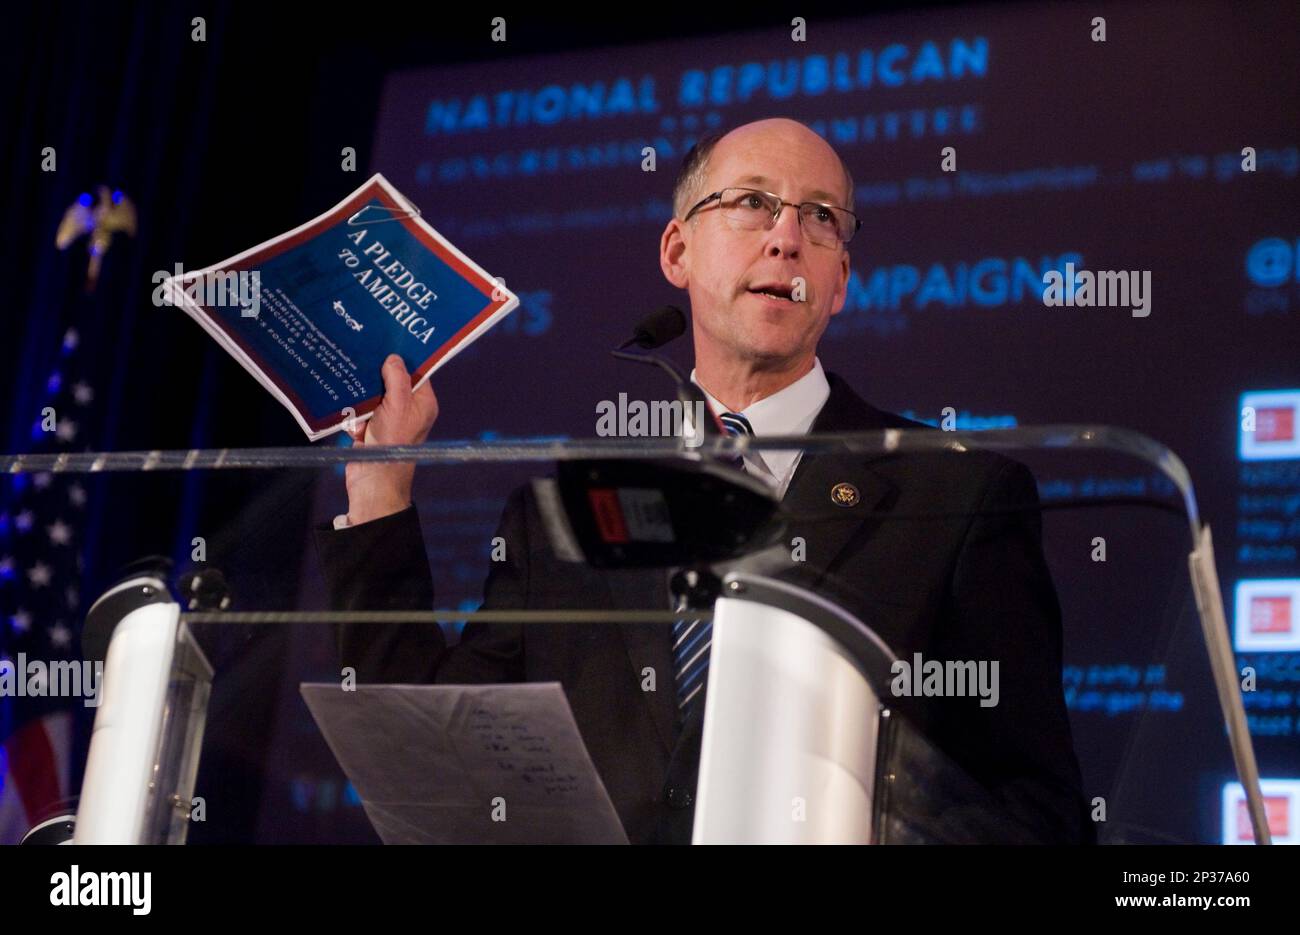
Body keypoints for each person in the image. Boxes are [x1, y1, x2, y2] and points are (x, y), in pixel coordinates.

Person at [314, 117, 1090, 844]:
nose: (787, 237)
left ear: (841, 278)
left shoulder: (955, 497)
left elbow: (1038, 813)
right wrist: (381, 489)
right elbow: (434, 751)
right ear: (677, 252)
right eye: (753, 203)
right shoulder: (561, 521)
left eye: (821, 217)